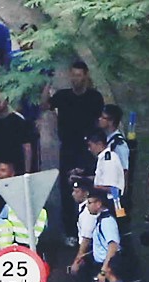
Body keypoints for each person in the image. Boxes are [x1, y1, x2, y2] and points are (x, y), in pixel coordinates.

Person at [42, 60, 103, 244]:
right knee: (67, 189)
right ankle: (70, 231)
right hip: (67, 148)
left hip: (87, 149)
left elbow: (100, 122)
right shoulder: (63, 96)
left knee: (88, 186)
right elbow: (45, 105)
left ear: (85, 76)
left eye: (79, 75)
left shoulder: (94, 97)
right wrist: (47, 83)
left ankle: (90, 229)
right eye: (73, 75)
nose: (76, 79)